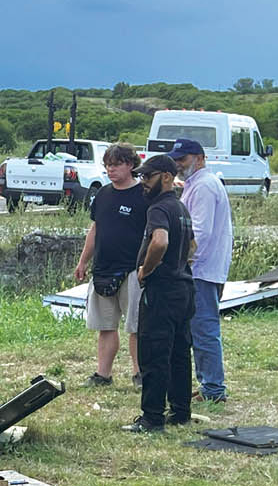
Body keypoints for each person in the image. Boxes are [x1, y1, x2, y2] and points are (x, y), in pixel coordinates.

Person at [123, 154, 196, 433]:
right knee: (180, 352)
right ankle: (180, 412)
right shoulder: (180, 207)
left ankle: (152, 418)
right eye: (141, 176)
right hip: (184, 288)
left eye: (148, 176)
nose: (143, 182)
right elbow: (192, 246)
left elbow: (160, 241)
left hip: (162, 290)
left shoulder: (158, 208)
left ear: (166, 177)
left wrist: (145, 271)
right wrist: (179, 265)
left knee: (154, 353)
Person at [72, 143, 148, 387]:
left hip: (132, 271)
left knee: (136, 326)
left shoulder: (143, 195)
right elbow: (95, 229)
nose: (110, 170)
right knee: (105, 326)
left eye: (116, 165)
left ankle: (140, 374)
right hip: (103, 269)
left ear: (130, 165)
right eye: (107, 165)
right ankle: (103, 375)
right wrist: (83, 261)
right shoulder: (103, 194)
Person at [167, 137, 233, 402]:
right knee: (198, 329)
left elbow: (200, 232)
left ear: (200, 158)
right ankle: (208, 383)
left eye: (182, 159)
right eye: (176, 160)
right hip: (202, 268)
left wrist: (183, 261)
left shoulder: (204, 185)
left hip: (201, 269)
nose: (178, 165)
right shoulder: (196, 184)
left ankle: (214, 389)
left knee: (204, 329)